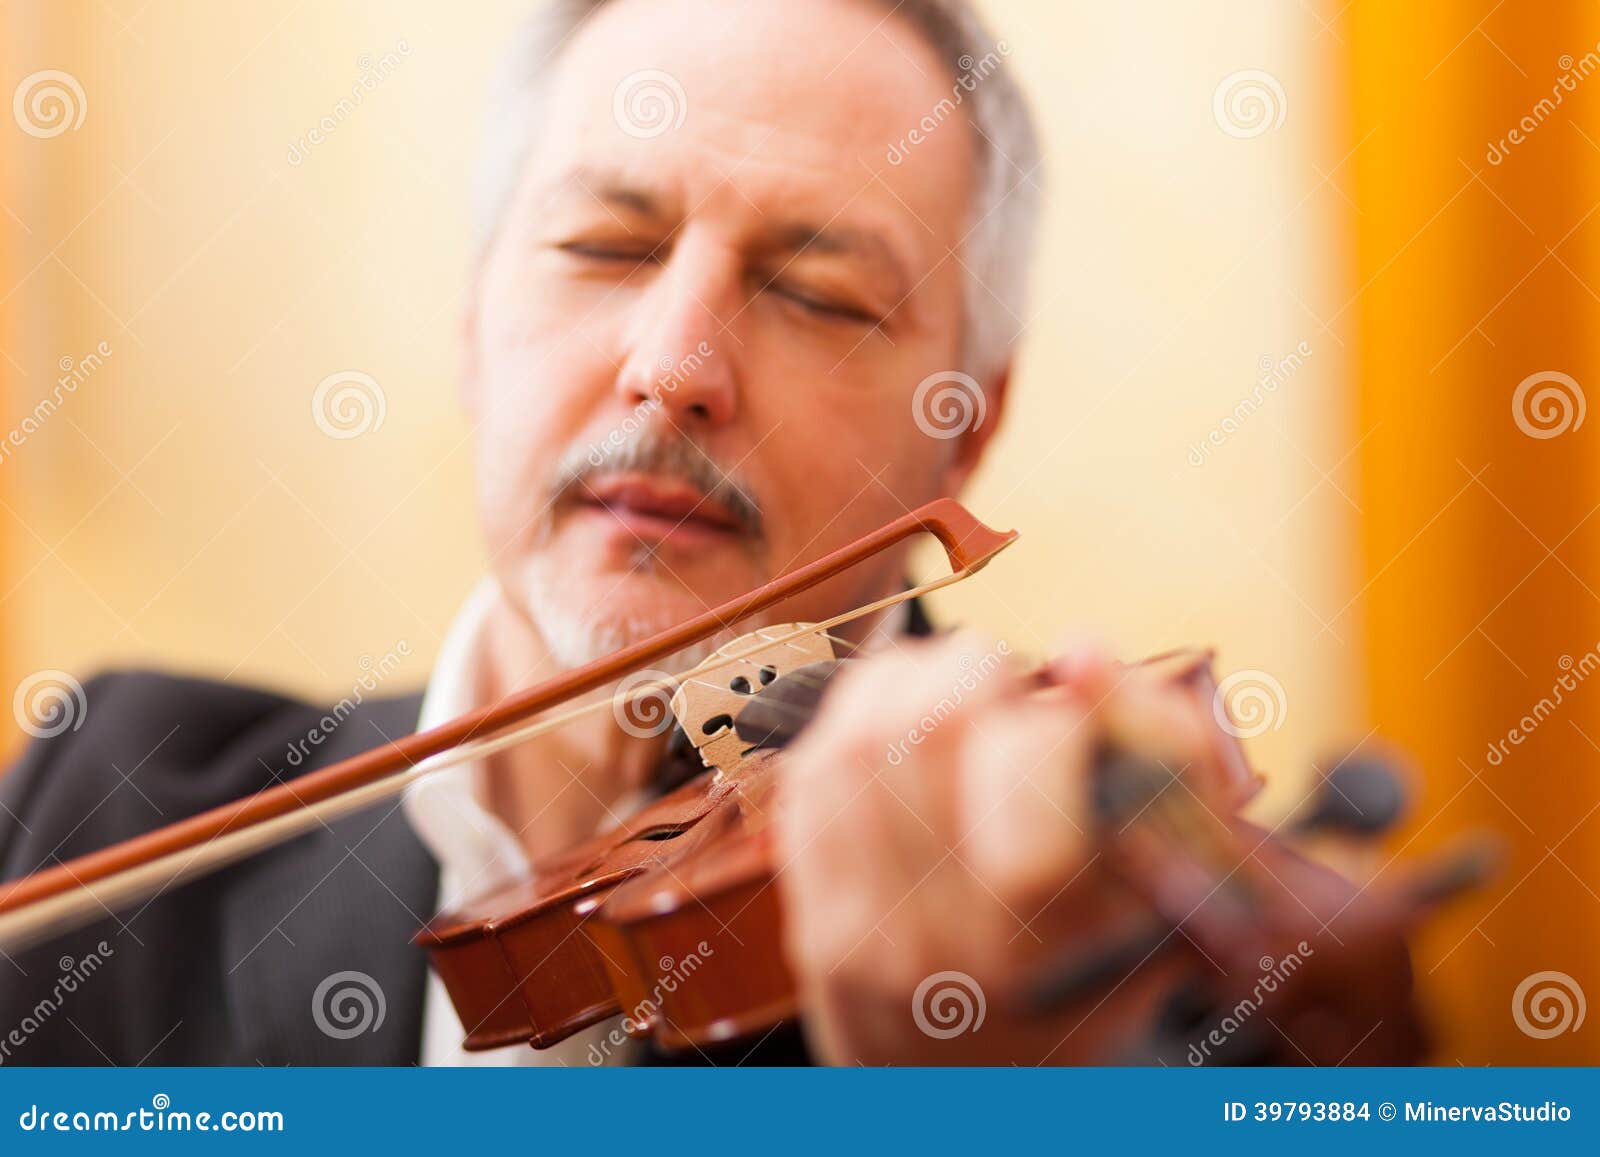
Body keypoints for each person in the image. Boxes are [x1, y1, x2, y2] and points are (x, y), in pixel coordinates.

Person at [0, 0, 1395, 1067]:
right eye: (604, 247)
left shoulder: (1129, 994)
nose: (674, 366)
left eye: (820, 292)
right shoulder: (101, 807)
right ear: (474, 323)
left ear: (967, 423)